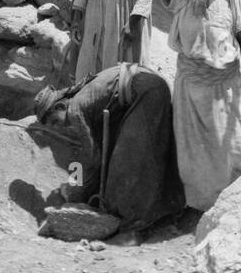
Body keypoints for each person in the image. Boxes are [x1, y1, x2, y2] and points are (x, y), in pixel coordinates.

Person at [141, 0, 241, 211]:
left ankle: (230, 204)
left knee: (234, 148)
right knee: (194, 156)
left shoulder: (231, 2)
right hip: (190, 89)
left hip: (223, 89)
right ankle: (200, 208)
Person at [33, 64, 184, 233]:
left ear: (60, 107)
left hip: (148, 91)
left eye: (55, 121)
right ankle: (166, 208)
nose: (59, 127)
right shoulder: (81, 99)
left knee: (124, 165)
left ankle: (133, 224)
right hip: (150, 86)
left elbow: (92, 158)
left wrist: (77, 191)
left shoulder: (75, 110)